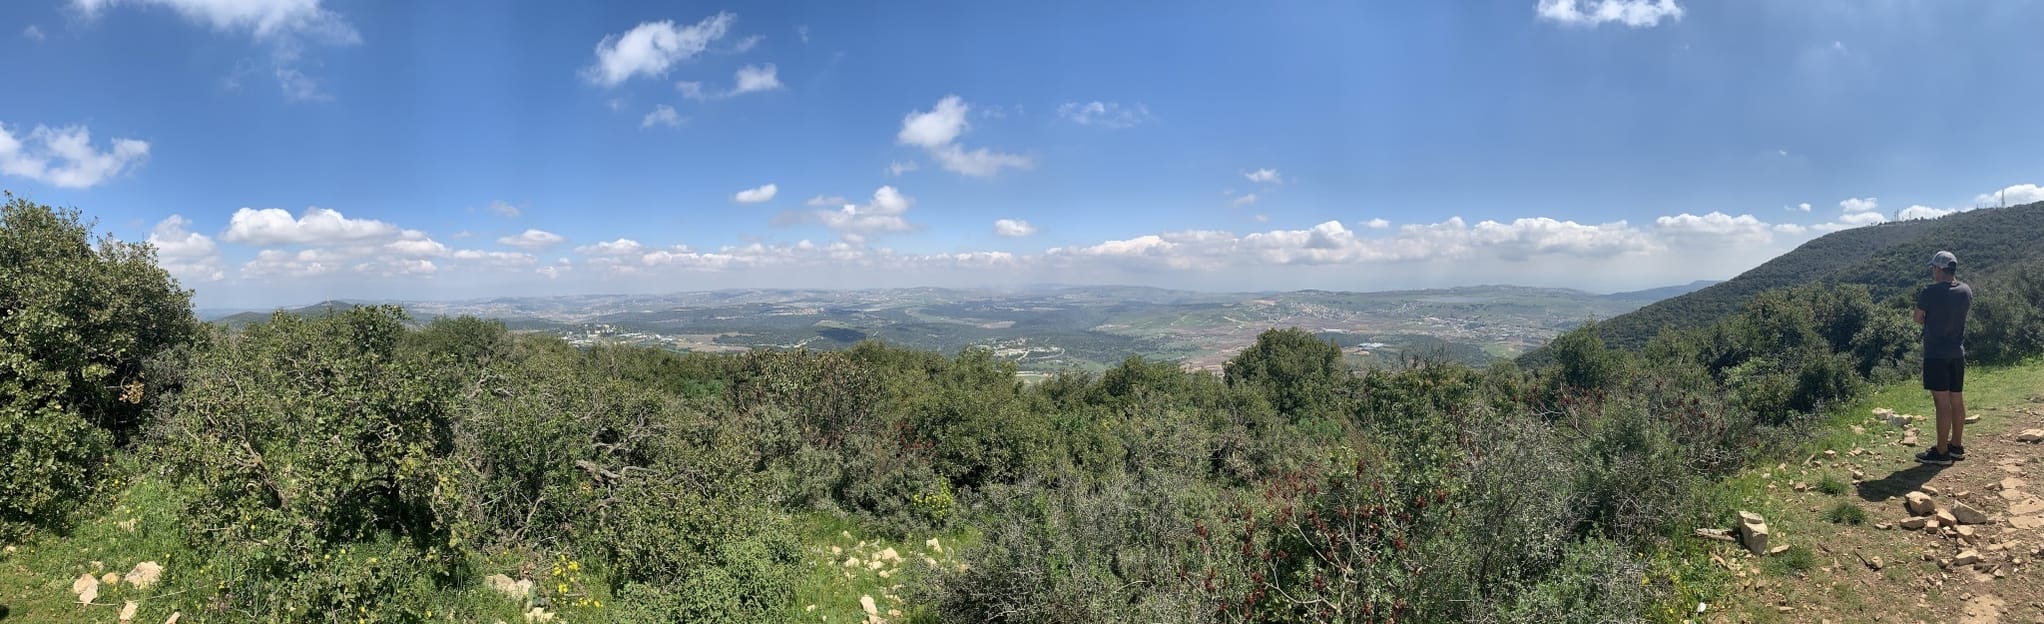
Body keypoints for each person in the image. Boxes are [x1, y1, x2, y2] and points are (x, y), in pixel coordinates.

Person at [1914, 250, 1973, 466]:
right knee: (1956, 398)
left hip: (1936, 354)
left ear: (1939, 269)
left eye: (1933, 268)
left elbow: (1917, 318)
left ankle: (1941, 452)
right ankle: (1956, 446)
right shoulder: (1966, 290)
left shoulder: (1930, 292)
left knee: (1941, 402)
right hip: (1957, 352)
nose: (1933, 271)